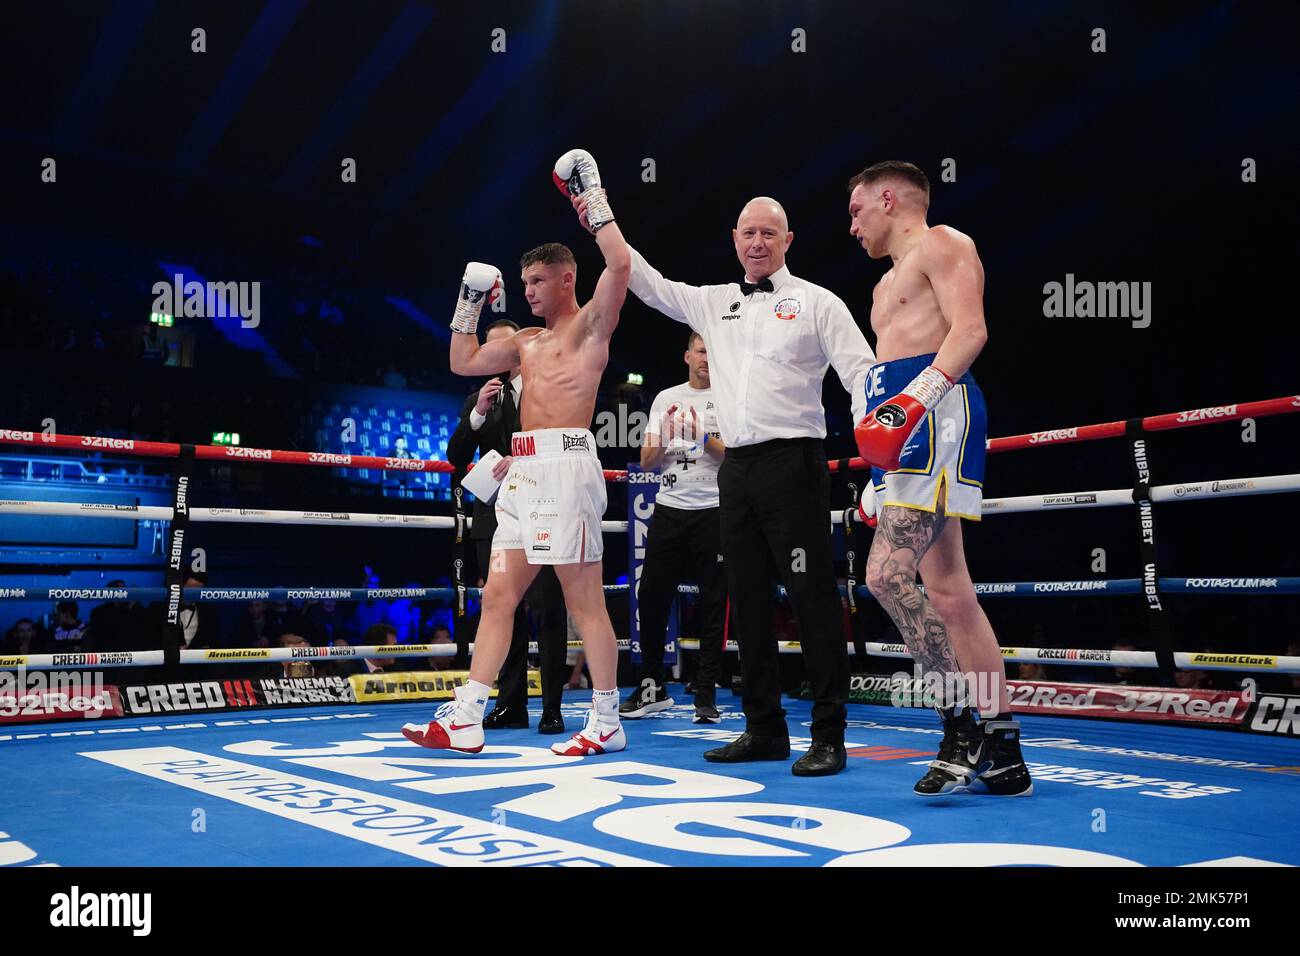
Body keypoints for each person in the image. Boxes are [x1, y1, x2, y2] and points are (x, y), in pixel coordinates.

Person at [614, 194, 874, 776]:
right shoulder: (712, 304)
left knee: (811, 597)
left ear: (788, 240)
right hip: (736, 470)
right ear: (734, 238)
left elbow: (864, 376)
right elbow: (643, 280)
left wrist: (880, 459)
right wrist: (601, 213)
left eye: (769, 233)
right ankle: (763, 728)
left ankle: (829, 734)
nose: (757, 242)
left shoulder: (817, 302)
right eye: (748, 232)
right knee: (748, 599)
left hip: (795, 464)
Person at [403, 148, 631, 757]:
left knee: (583, 600)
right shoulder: (525, 342)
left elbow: (620, 262)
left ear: (565, 279)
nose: (527, 291)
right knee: (498, 594)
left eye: (536, 281)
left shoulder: (590, 326)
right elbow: (461, 361)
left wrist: (592, 198)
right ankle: (469, 715)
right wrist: (469, 298)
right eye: (521, 281)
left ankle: (606, 720)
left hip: (567, 464)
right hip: (523, 475)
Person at [848, 160, 1031, 797]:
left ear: (889, 198)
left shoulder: (943, 243)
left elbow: (971, 329)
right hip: (901, 424)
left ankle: (960, 722)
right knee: (949, 591)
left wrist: (913, 403)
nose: (853, 227)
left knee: (884, 575)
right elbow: (881, 378)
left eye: (857, 211)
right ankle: (1003, 746)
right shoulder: (882, 289)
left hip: (935, 410)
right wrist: (880, 459)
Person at [446, 317, 569, 734]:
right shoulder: (479, 400)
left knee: (549, 611)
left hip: (544, 510)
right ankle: (510, 703)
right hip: (492, 518)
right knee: (503, 614)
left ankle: (552, 707)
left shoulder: (547, 388)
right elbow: (455, 455)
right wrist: (478, 413)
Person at [621, 331, 727, 724]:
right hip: (668, 507)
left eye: (713, 351)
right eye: (702, 351)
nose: (707, 358)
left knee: (713, 602)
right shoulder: (667, 398)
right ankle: (652, 687)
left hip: (714, 509)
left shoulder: (730, 395)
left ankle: (706, 692)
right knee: (650, 595)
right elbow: (646, 462)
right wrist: (668, 435)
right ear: (687, 355)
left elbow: (734, 457)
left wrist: (699, 435)